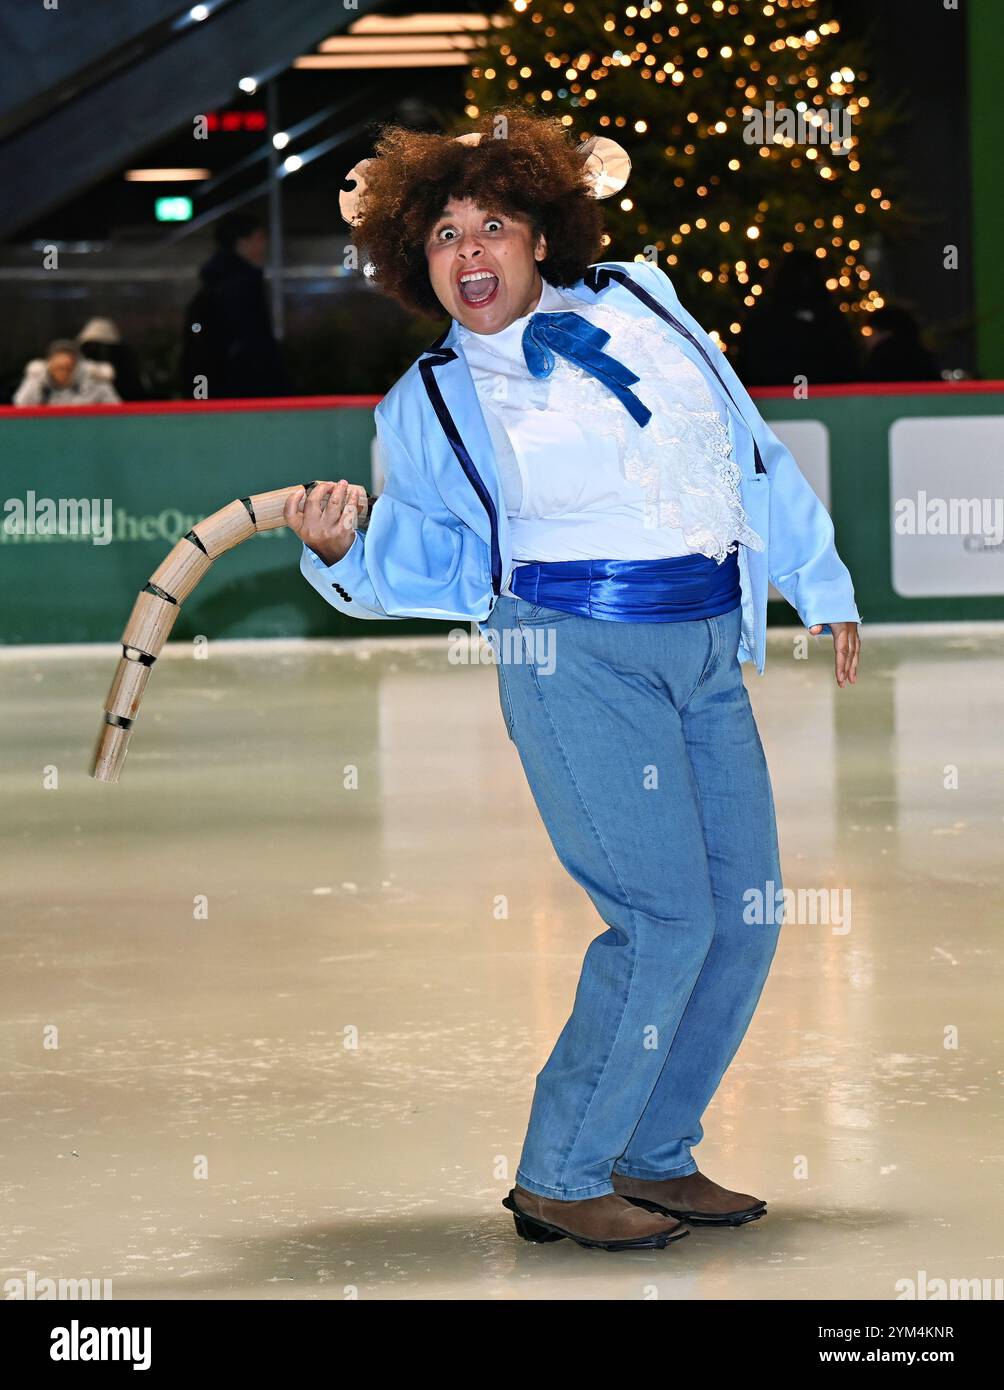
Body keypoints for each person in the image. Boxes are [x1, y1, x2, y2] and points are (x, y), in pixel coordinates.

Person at [283, 109, 861, 1253]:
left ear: (541, 236)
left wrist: (816, 576)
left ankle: (652, 1151)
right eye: (442, 234)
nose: (468, 249)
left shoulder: (642, 300)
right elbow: (454, 566)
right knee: (660, 919)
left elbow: (742, 445)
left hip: (707, 647)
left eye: (490, 223)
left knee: (740, 917)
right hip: (572, 655)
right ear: (416, 261)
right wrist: (348, 549)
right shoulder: (427, 401)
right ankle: (560, 1173)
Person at [180, 211, 292, 399]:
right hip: (242, 391)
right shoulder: (242, 286)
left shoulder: (214, 284)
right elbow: (253, 345)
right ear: (242, 243)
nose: (263, 244)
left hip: (219, 390)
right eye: (259, 238)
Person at [13, 339, 120, 406]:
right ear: (49, 365)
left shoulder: (96, 382)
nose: (62, 374)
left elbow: (115, 411)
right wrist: (36, 380)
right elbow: (21, 404)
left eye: (68, 368)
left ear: (77, 366)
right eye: (58, 368)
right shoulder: (38, 380)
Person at [77, 317, 150, 401]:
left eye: (94, 345)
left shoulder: (123, 358)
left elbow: (133, 387)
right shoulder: (83, 363)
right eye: (89, 345)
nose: (91, 349)